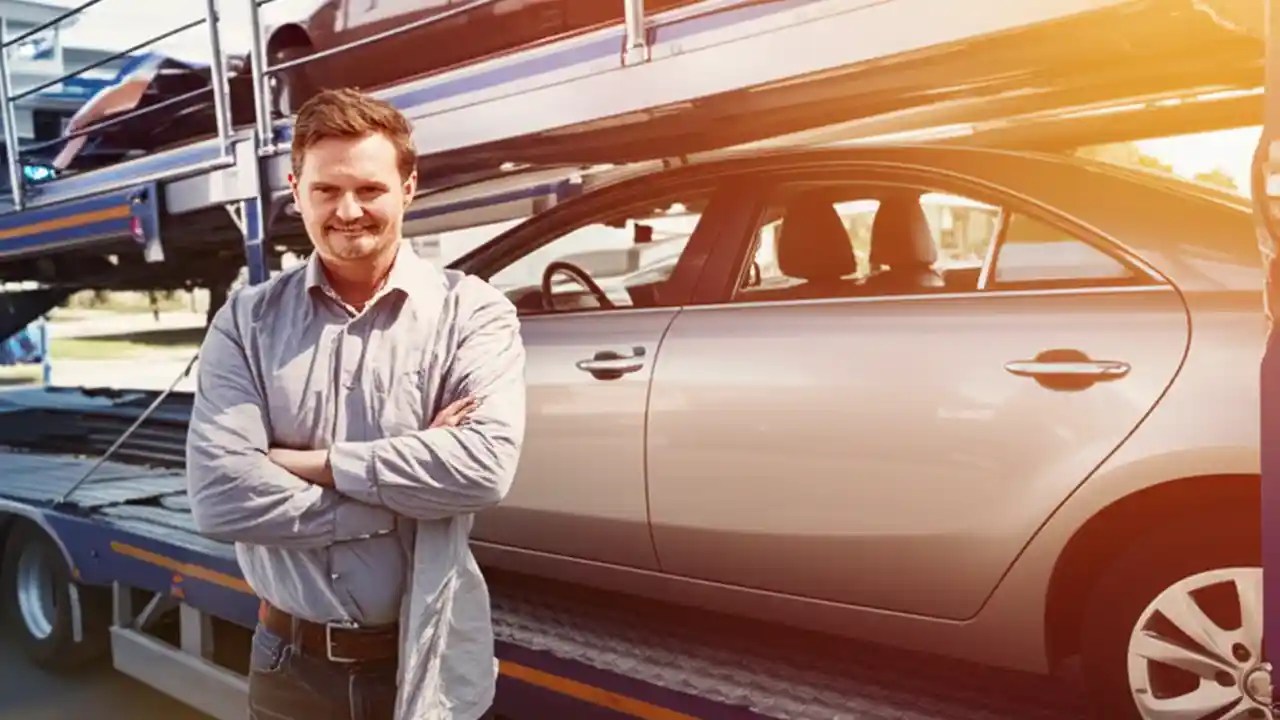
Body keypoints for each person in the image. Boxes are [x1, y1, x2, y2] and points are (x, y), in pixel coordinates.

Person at [185, 87, 527, 720]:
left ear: (409, 187)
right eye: (326, 191)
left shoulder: (471, 313)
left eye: (370, 189)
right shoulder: (247, 321)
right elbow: (219, 493)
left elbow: (483, 467)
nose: (348, 211)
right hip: (289, 665)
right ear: (295, 189)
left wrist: (307, 461)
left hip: (421, 662)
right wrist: (396, 496)